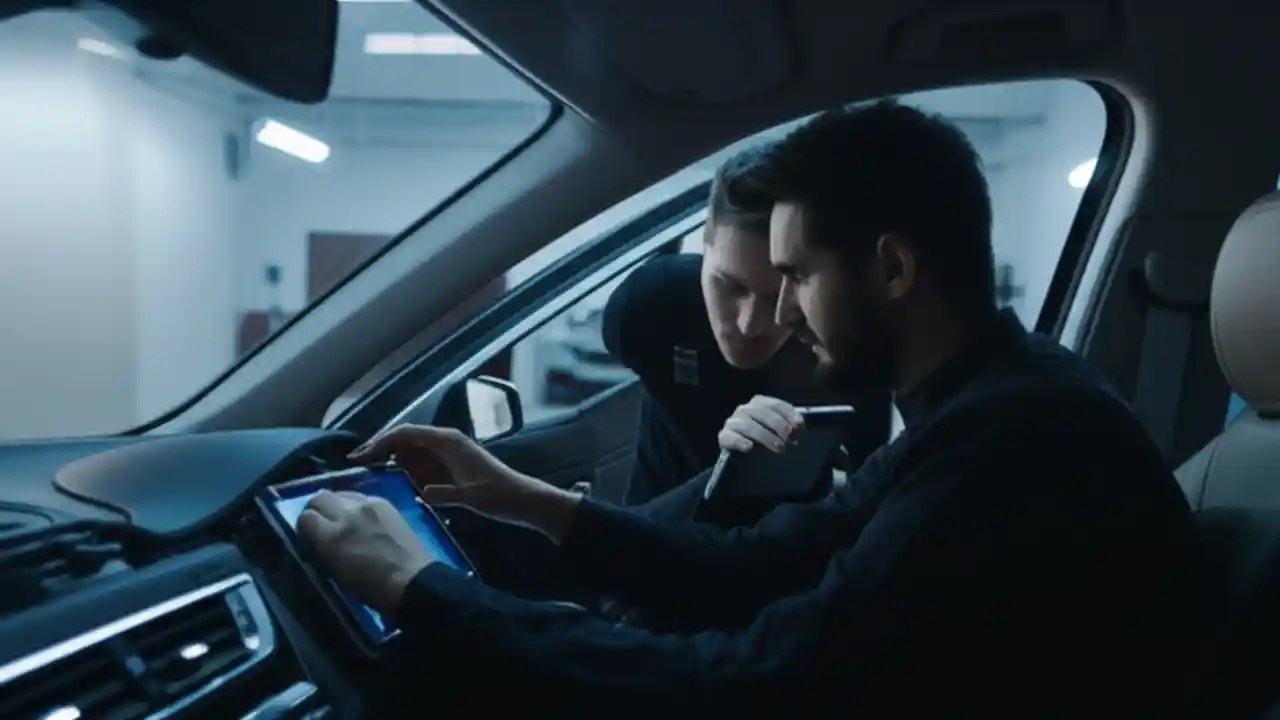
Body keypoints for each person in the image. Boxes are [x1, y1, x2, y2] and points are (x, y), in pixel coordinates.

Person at [298, 100, 1204, 716]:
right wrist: (519, 496)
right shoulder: (985, 404)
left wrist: (422, 589)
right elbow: (751, 562)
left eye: (800, 277)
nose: (782, 315)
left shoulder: (1015, 440)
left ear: (892, 269)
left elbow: (746, 684)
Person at [603, 146, 890, 518]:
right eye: (730, 285)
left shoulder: (845, 352)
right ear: (705, 238)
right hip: (640, 549)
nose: (749, 324)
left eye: (777, 295)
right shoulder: (650, 307)